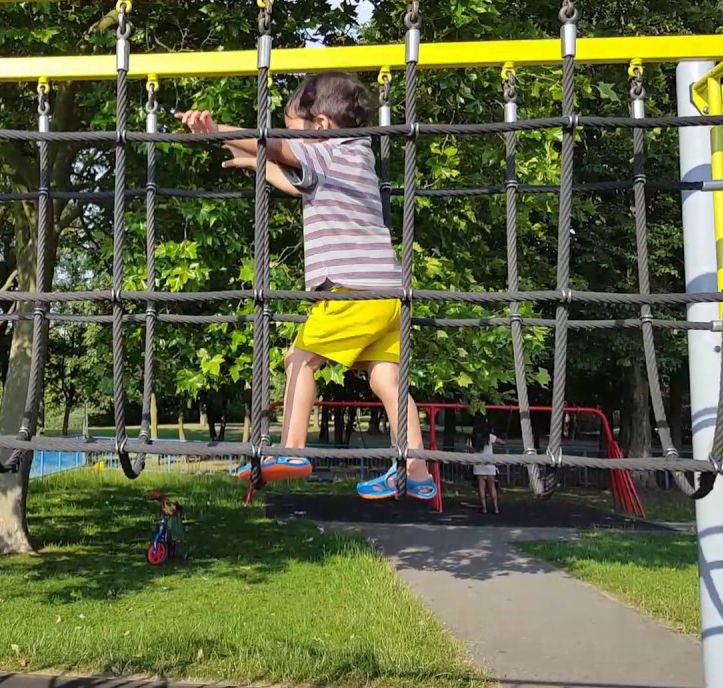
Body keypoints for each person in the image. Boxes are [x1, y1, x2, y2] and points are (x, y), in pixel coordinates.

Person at [175, 72, 437, 501]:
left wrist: (218, 130)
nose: (291, 139)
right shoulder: (355, 155)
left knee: (298, 359)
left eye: (295, 130)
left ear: (321, 126)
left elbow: (276, 147)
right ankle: (418, 470)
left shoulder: (328, 151)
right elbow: (296, 181)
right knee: (388, 381)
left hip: (352, 290)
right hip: (389, 295)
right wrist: (258, 164)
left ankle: (293, 450)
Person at [471, 416, 502, 514]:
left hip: (479, 463)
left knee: (481, 486)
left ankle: (484, 508)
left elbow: (471, 449)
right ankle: (496, 508)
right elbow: (502, 442)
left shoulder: (473, 438)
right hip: (489, 463)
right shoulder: (489, 436)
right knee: (492, 486)